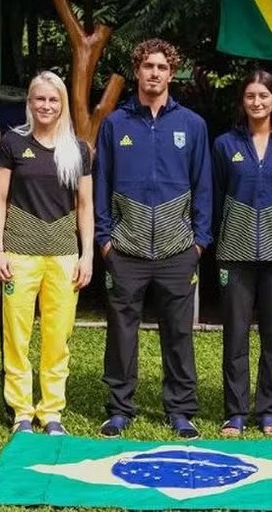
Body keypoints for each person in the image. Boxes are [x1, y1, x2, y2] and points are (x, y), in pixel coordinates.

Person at [94, 38, 212, 439]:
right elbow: (101, 185)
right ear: (137, 71)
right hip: (125, 249)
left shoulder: (192, 125)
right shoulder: (115, 124)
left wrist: (199, 242)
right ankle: (119, 409)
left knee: (178, 332)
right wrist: (104, 240)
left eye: (162, 67)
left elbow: (204, 185)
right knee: (121, 330)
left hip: (178, 250)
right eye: (148, 67)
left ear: (172, 72)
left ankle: (180, 410)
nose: (155, 73)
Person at [0, 71, 93, 437]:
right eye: (39, 99)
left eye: (53, 100)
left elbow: (84, 206)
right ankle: (21, 411)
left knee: (57, 337)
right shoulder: (12, 145)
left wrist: (87, 255)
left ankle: (51, 412)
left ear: (62, 104)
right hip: (18, 253)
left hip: (64, 257)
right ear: (29, 103)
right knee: (16, 336)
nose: (46, 106)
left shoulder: (78, 149)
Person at [212, 70, 272, 437]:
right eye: (250, 95)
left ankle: (268, 410)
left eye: (263, 96)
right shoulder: (224, 145)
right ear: (242, 101)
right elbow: (216, 196)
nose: (256, 102)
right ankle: (235, 410)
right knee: (235, 331)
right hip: (233, 250)